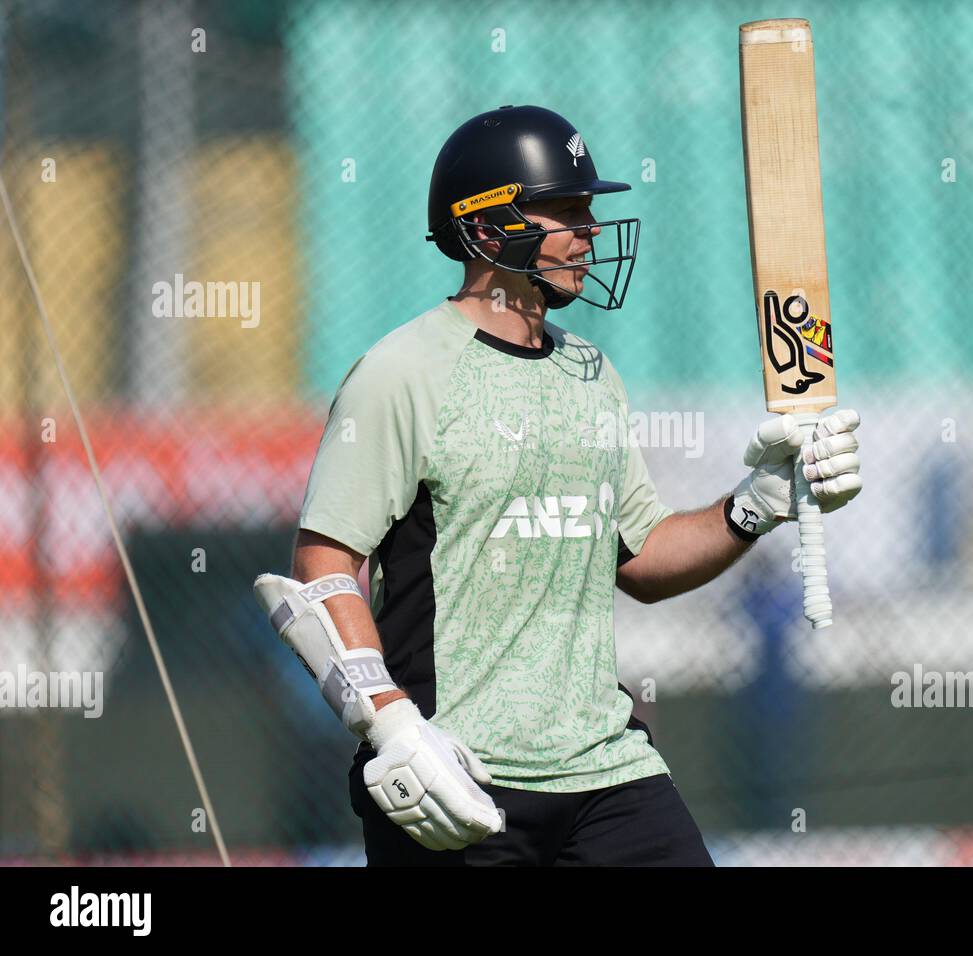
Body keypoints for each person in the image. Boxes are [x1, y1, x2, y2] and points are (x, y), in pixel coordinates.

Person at [260, 105, 862, 866]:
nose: (590, 232)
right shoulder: (401, 374)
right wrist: (391, 725)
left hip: (607, 768)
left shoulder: (593, 373)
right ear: (486, 227)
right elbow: (324, 564)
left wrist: (755, 505)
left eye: (590, 211)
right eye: (567, 211)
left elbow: (640, 559)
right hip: (458, 773)